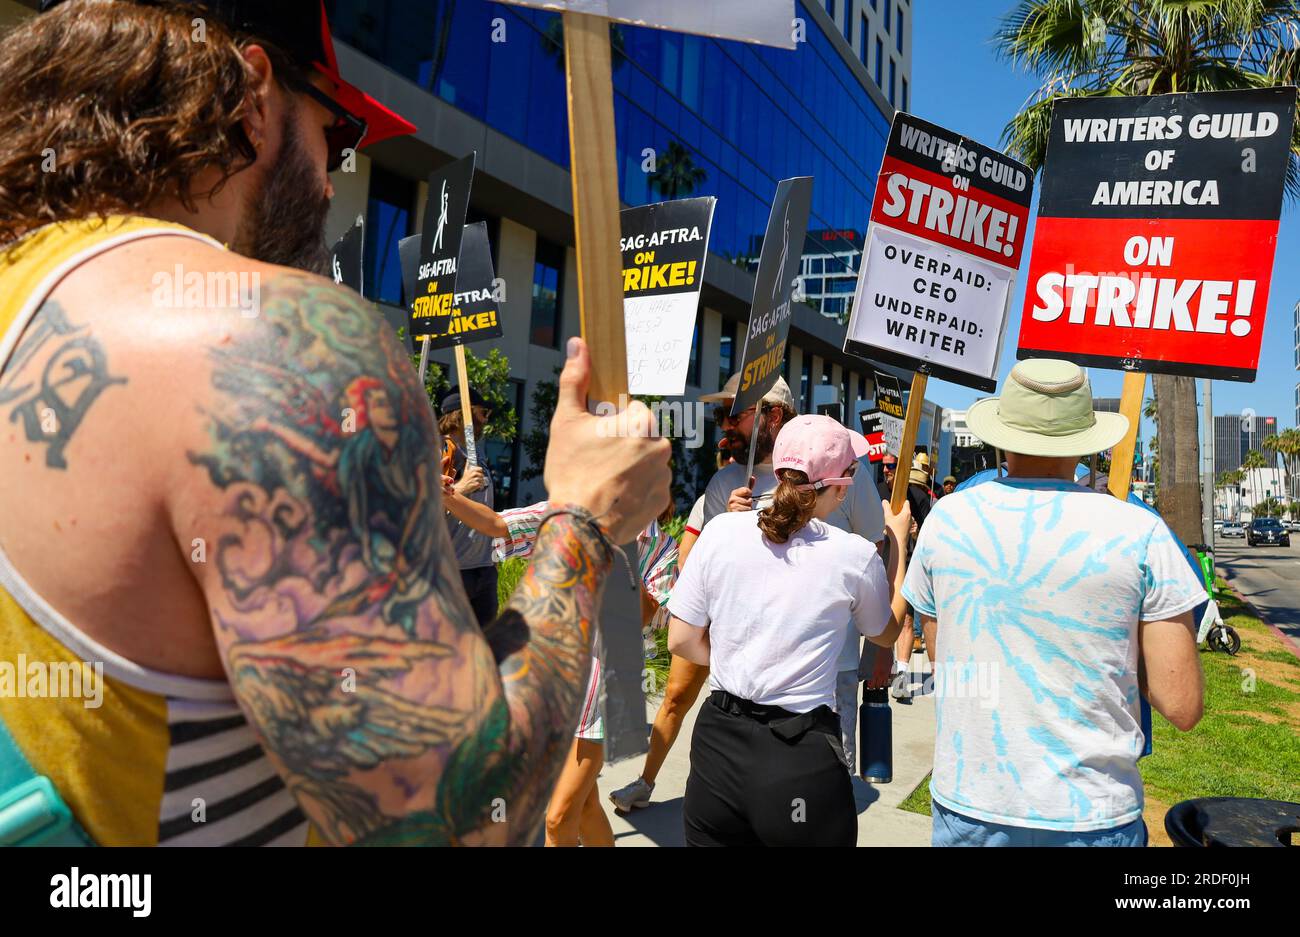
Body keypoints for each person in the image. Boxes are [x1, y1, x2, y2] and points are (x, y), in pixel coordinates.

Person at [0, 0, 671, 847]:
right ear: (252, 90)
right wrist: (585, 516)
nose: (332, 177)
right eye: (339, 133)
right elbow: (456, 816)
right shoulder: (269, 341)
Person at [903, 360, 1205, 847]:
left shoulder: (948, 517)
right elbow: (1182, 704)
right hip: (1091, 813)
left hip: (971, 804)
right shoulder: (1139, 532)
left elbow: (946, 661)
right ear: (1087, 442)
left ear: (1002, 437)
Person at [669, 416, 910, 846]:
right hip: (799, 755)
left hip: (717, 748)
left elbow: (681, 640)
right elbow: (885, 634)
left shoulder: (721, 530)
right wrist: (898, 546)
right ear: (839, 485)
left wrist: (737, 654)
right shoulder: (853, 555)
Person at [608, 494, 707, 814]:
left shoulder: (780, 496)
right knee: (676, 697)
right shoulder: (712, 499)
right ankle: (644, 784)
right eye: (725, 453)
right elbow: (685, 558)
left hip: (757, 616)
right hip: (706, 615)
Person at [698, 373, 797, 522]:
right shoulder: (722, 482)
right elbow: (711, 546)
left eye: (733, 414)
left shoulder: (820, 478)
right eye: (720, 415)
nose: (725, 425)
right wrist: (728, 524)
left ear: (774, 417)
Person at [439, 387, 497, 627]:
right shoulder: (441, 450)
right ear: (464, 414)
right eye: (484, 412)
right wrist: (461, 488)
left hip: (484, 569)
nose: (486, 419)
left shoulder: (477, 453)